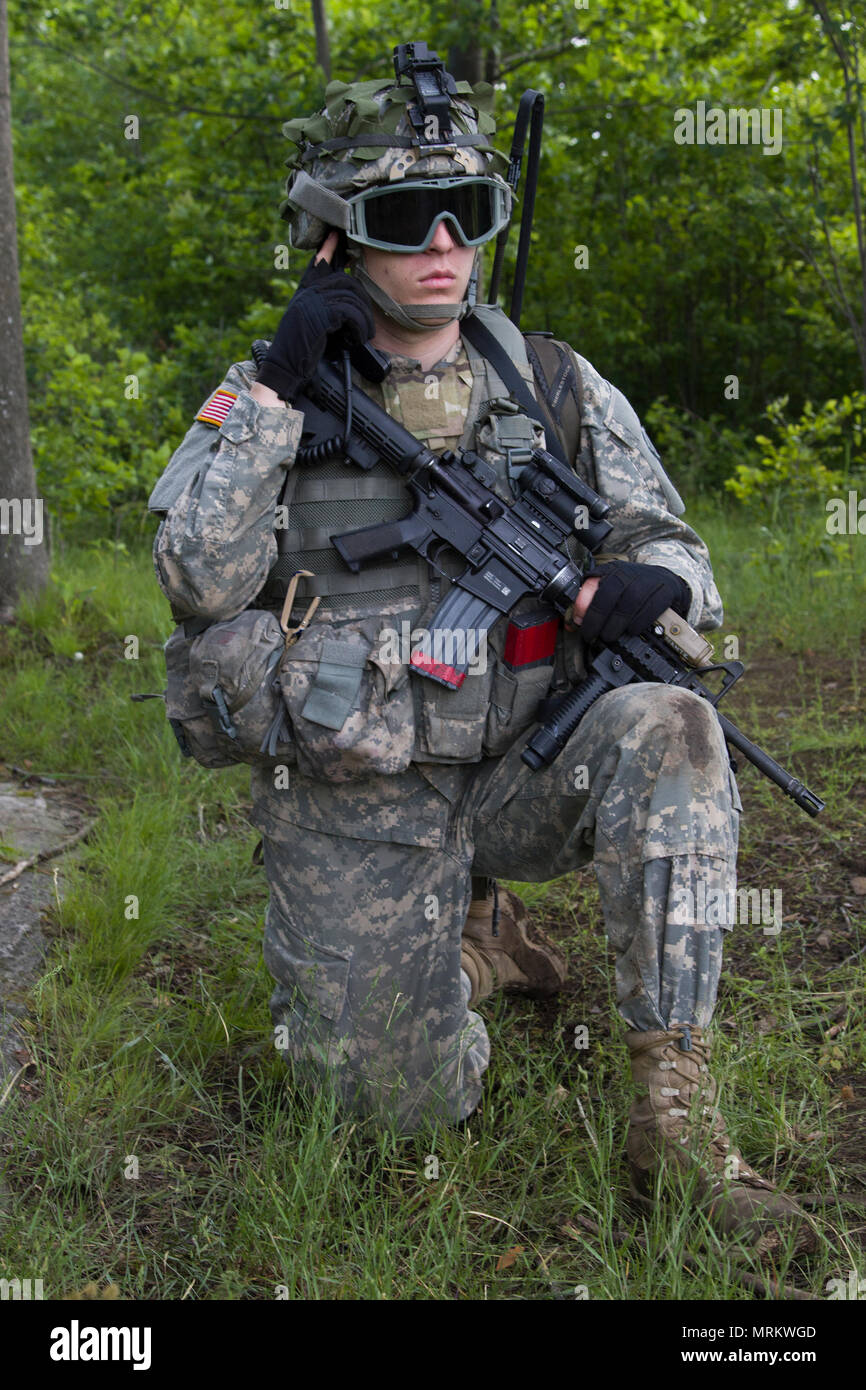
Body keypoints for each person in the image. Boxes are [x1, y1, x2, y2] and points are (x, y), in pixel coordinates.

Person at [148, 43, 816, 1260]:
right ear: (337, 236)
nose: (444, 242)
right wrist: (280, 392)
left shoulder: (546, 379)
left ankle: (673, 1107)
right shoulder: (271, 394)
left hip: (524, 763)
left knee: (673, 724)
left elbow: (666, 533)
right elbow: (197, 579)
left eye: (470, 213)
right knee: (392, 1115)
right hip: (361, 793)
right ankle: (466, 938)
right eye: (406, 217)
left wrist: (659, 580)